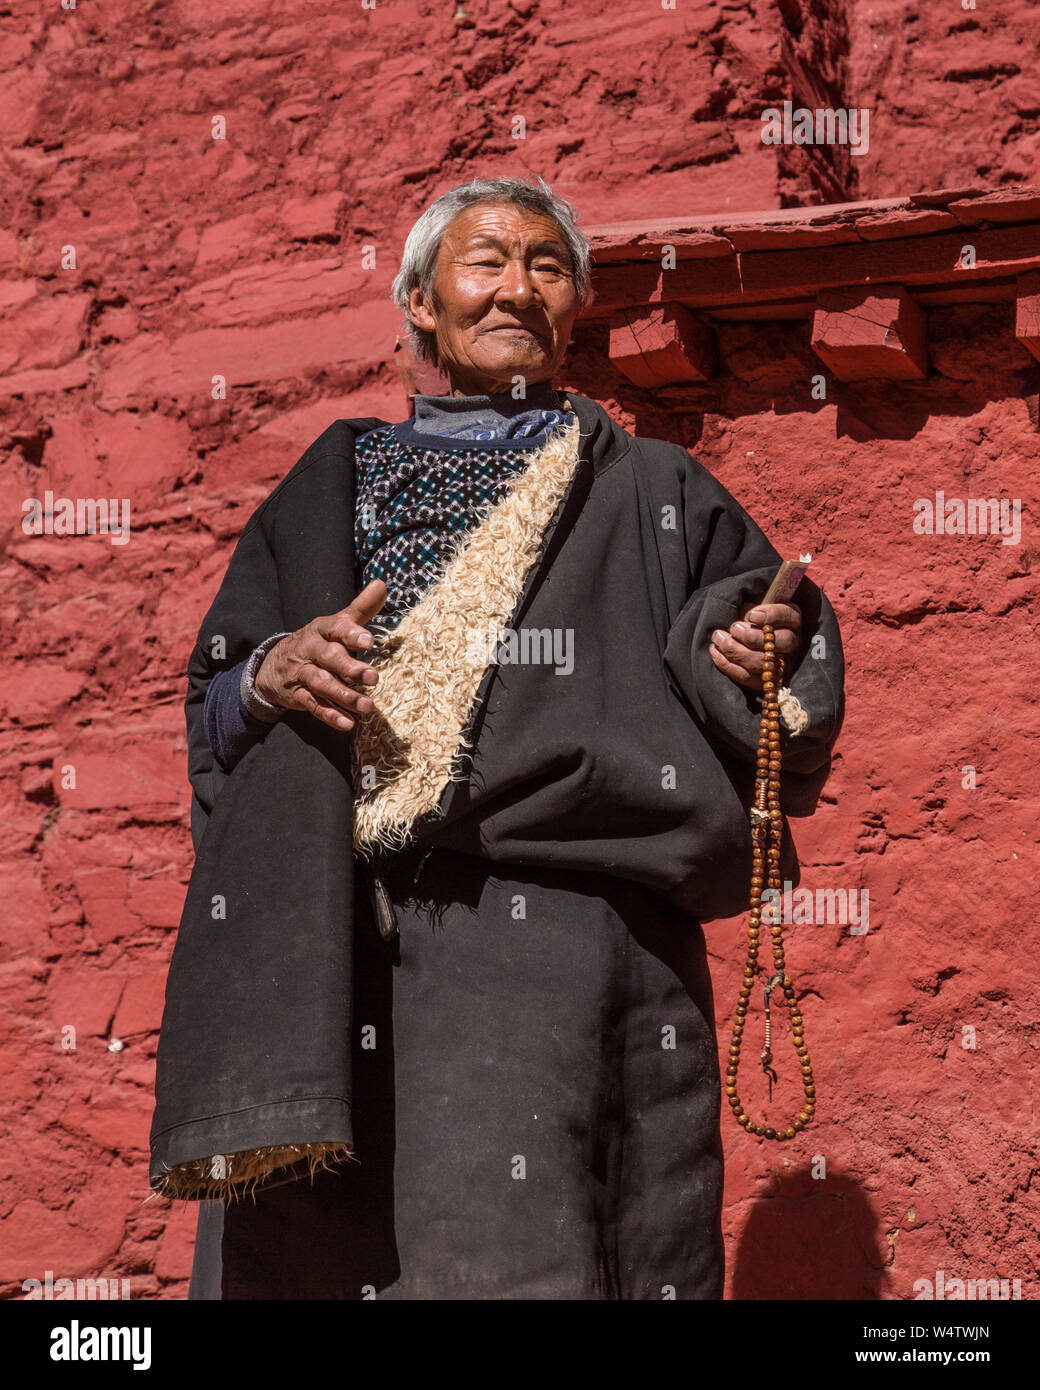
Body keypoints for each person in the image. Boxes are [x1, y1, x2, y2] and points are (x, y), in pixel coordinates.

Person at [150, 174, 845, 1300]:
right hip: (327, 954)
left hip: (558, 961)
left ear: (573, 306)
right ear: (420, 299)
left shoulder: (653, 491)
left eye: (545, 265)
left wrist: (757, 656)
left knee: (521, 1261)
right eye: (485, 261)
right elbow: (218, 701)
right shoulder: (329, 486)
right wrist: (273, 676)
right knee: (309, 1264)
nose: (515, 288)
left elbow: (773, 643)